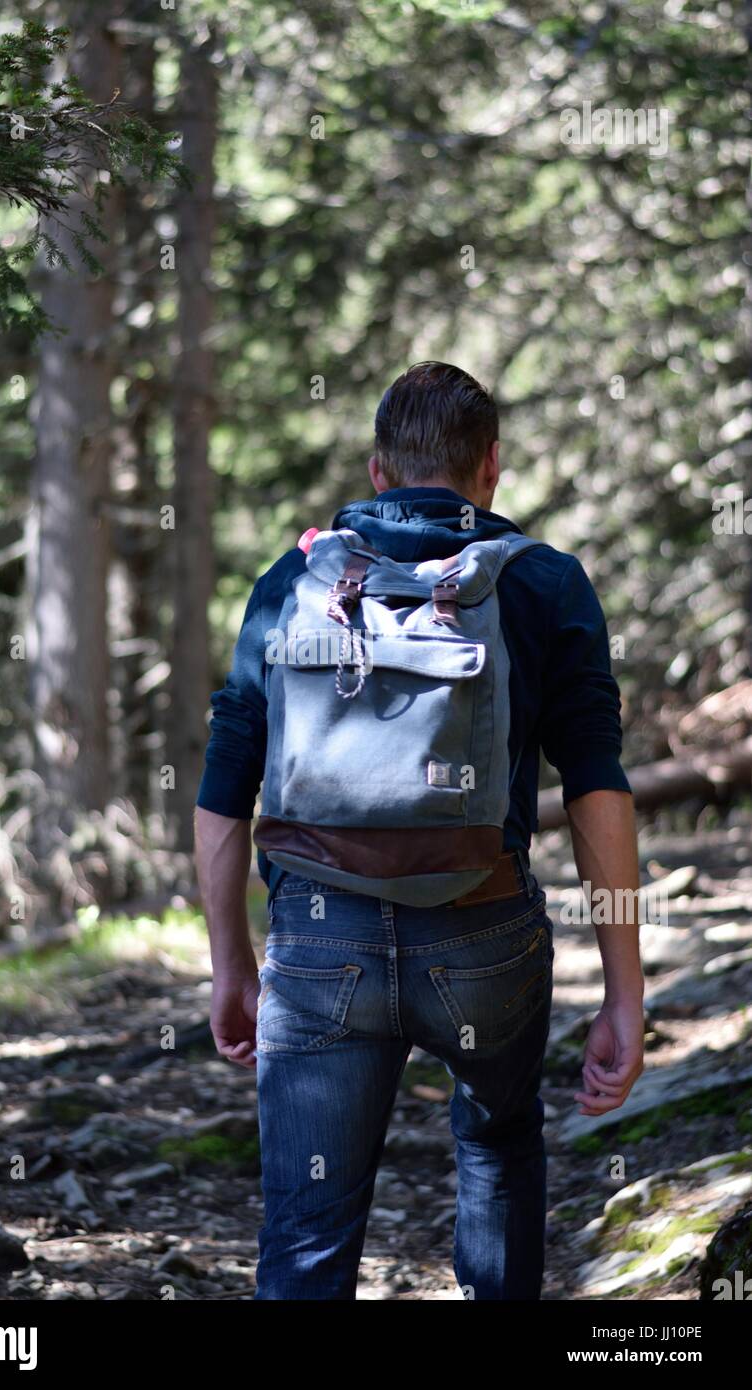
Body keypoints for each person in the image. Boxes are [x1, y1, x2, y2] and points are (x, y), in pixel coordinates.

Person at [194, 361, 644, 1300]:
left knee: (308, 1235)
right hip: (482, 937)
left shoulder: (292, 582)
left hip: (321, 943)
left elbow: (222, 793)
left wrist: (231, 964)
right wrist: (624, 992)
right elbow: (598, 788)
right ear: (491, 469)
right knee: (497, 1148)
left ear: (377, 473)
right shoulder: (546, 584)